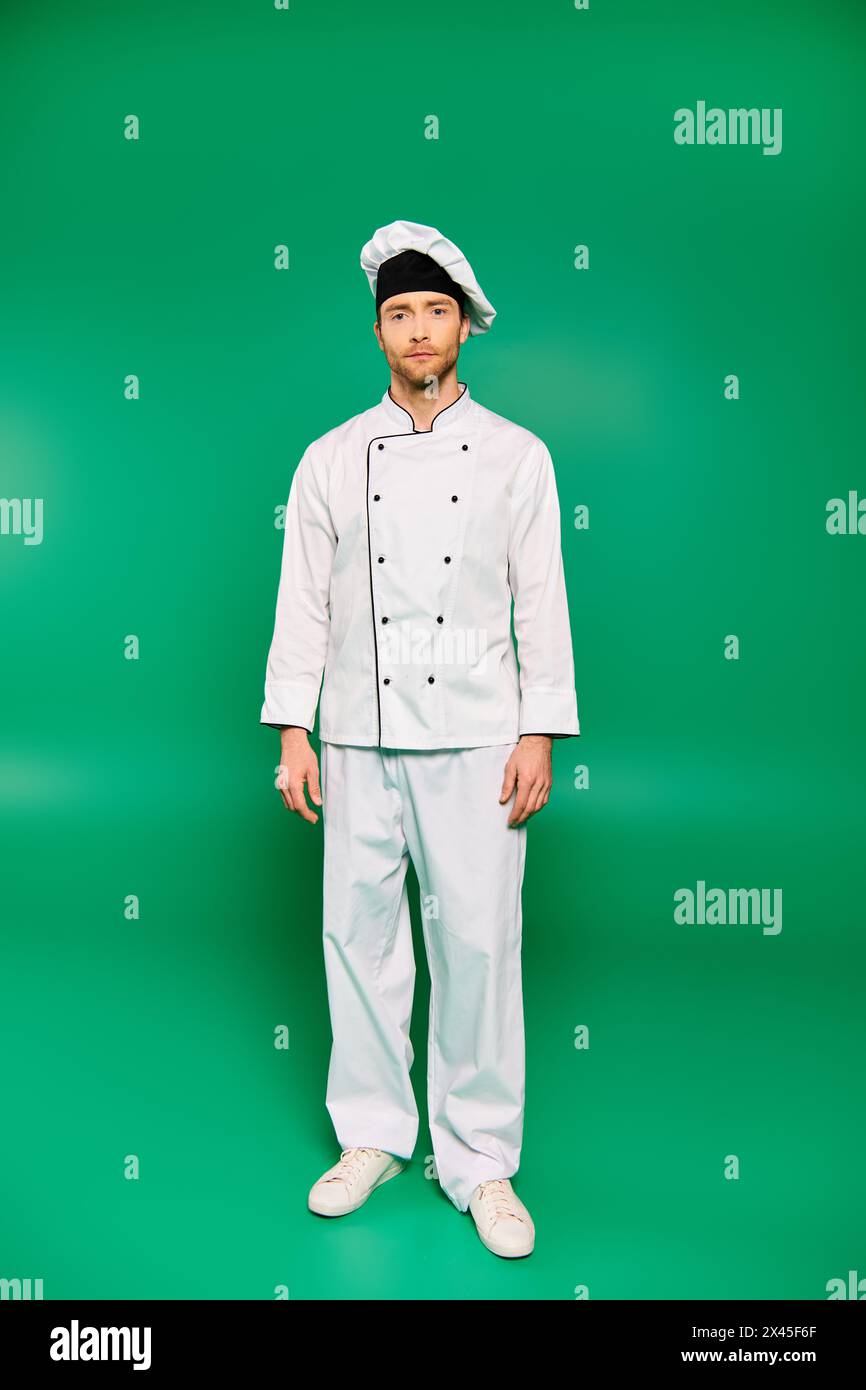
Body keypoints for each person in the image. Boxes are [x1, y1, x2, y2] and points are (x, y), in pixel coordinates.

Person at [260, 219, 580, 1258]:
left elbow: (543, 603)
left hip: (481, 735)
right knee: (356, 936)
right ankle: (372, 1134)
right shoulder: (329, 457)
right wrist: (291, 730)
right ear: (377, 329)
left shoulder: (515, 457)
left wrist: (537, 730)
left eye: (432, 311)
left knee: (479, 943)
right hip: (354, 734)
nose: (414, 330)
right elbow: (300, 601)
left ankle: (479, 1160)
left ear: (462, 327)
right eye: (397, 313)